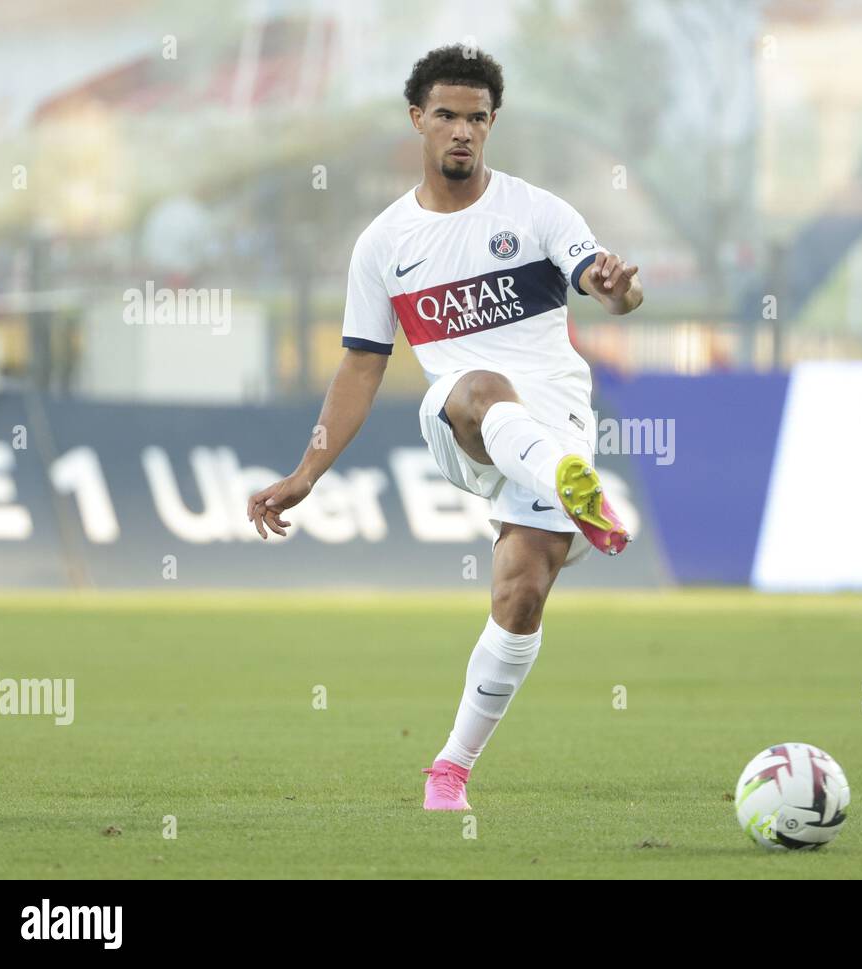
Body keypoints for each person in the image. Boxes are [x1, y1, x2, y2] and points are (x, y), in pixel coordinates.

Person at [246, 45, 643, 809]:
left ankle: (450, 767)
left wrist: (619, 292)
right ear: (418, 120)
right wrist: (306, 472)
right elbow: (361, 367)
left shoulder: (538, 212)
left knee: (523, 591)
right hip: (459, 416)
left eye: (478, 119)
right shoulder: (385, 244)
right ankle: (568, 484)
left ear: (493, 125)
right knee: (478, 386)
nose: (463, 131)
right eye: (448, 116)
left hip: (553, 409)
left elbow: (601, 280)